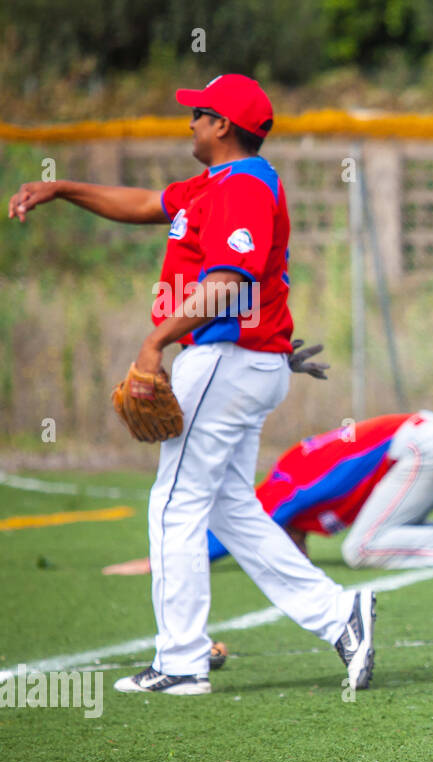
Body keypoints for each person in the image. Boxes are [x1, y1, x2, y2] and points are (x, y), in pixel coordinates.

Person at [8, 74, 376, 696]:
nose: (190, 123)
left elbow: (229, 280)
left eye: (199, 114)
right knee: (231, 509)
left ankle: (181, 662)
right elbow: (145, 205)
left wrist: (155, 343)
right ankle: (341, 615)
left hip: (226, 357)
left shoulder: (244, 187)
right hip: (240, 363)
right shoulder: (212, 186)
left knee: (175, 503)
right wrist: (63, 188)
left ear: (223, 126)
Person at [102, 410, 433, 574]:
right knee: (392, 530)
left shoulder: (281, 488)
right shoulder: (288, 489)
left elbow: (243, 530)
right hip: (427, 436)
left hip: (419, 444)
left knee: (362, 549)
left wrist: (167, 560)